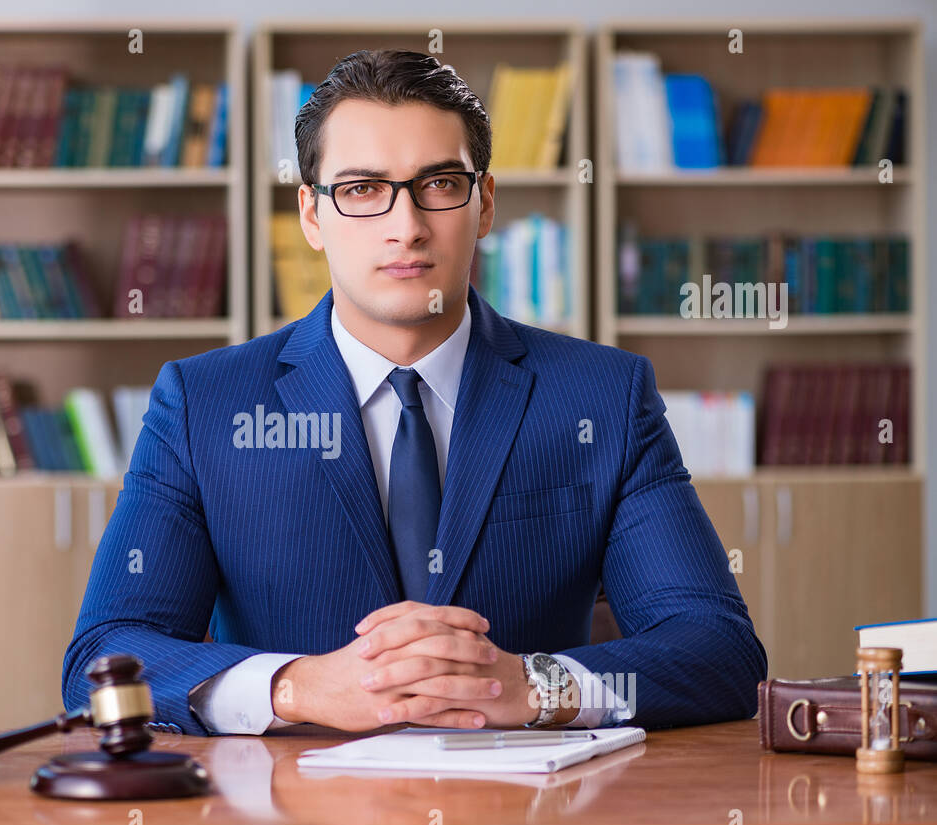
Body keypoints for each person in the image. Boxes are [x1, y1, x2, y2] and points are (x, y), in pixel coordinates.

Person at [62, 49, 766, 735]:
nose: (407, 227)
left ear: (484, 204)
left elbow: (719, 650)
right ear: (312, 214)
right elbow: (104, 655)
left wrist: (531, 684)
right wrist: (299, 686)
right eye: (363, 189)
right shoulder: (203, 405)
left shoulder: (602, 397)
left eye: (439, 184)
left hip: (530, 820)